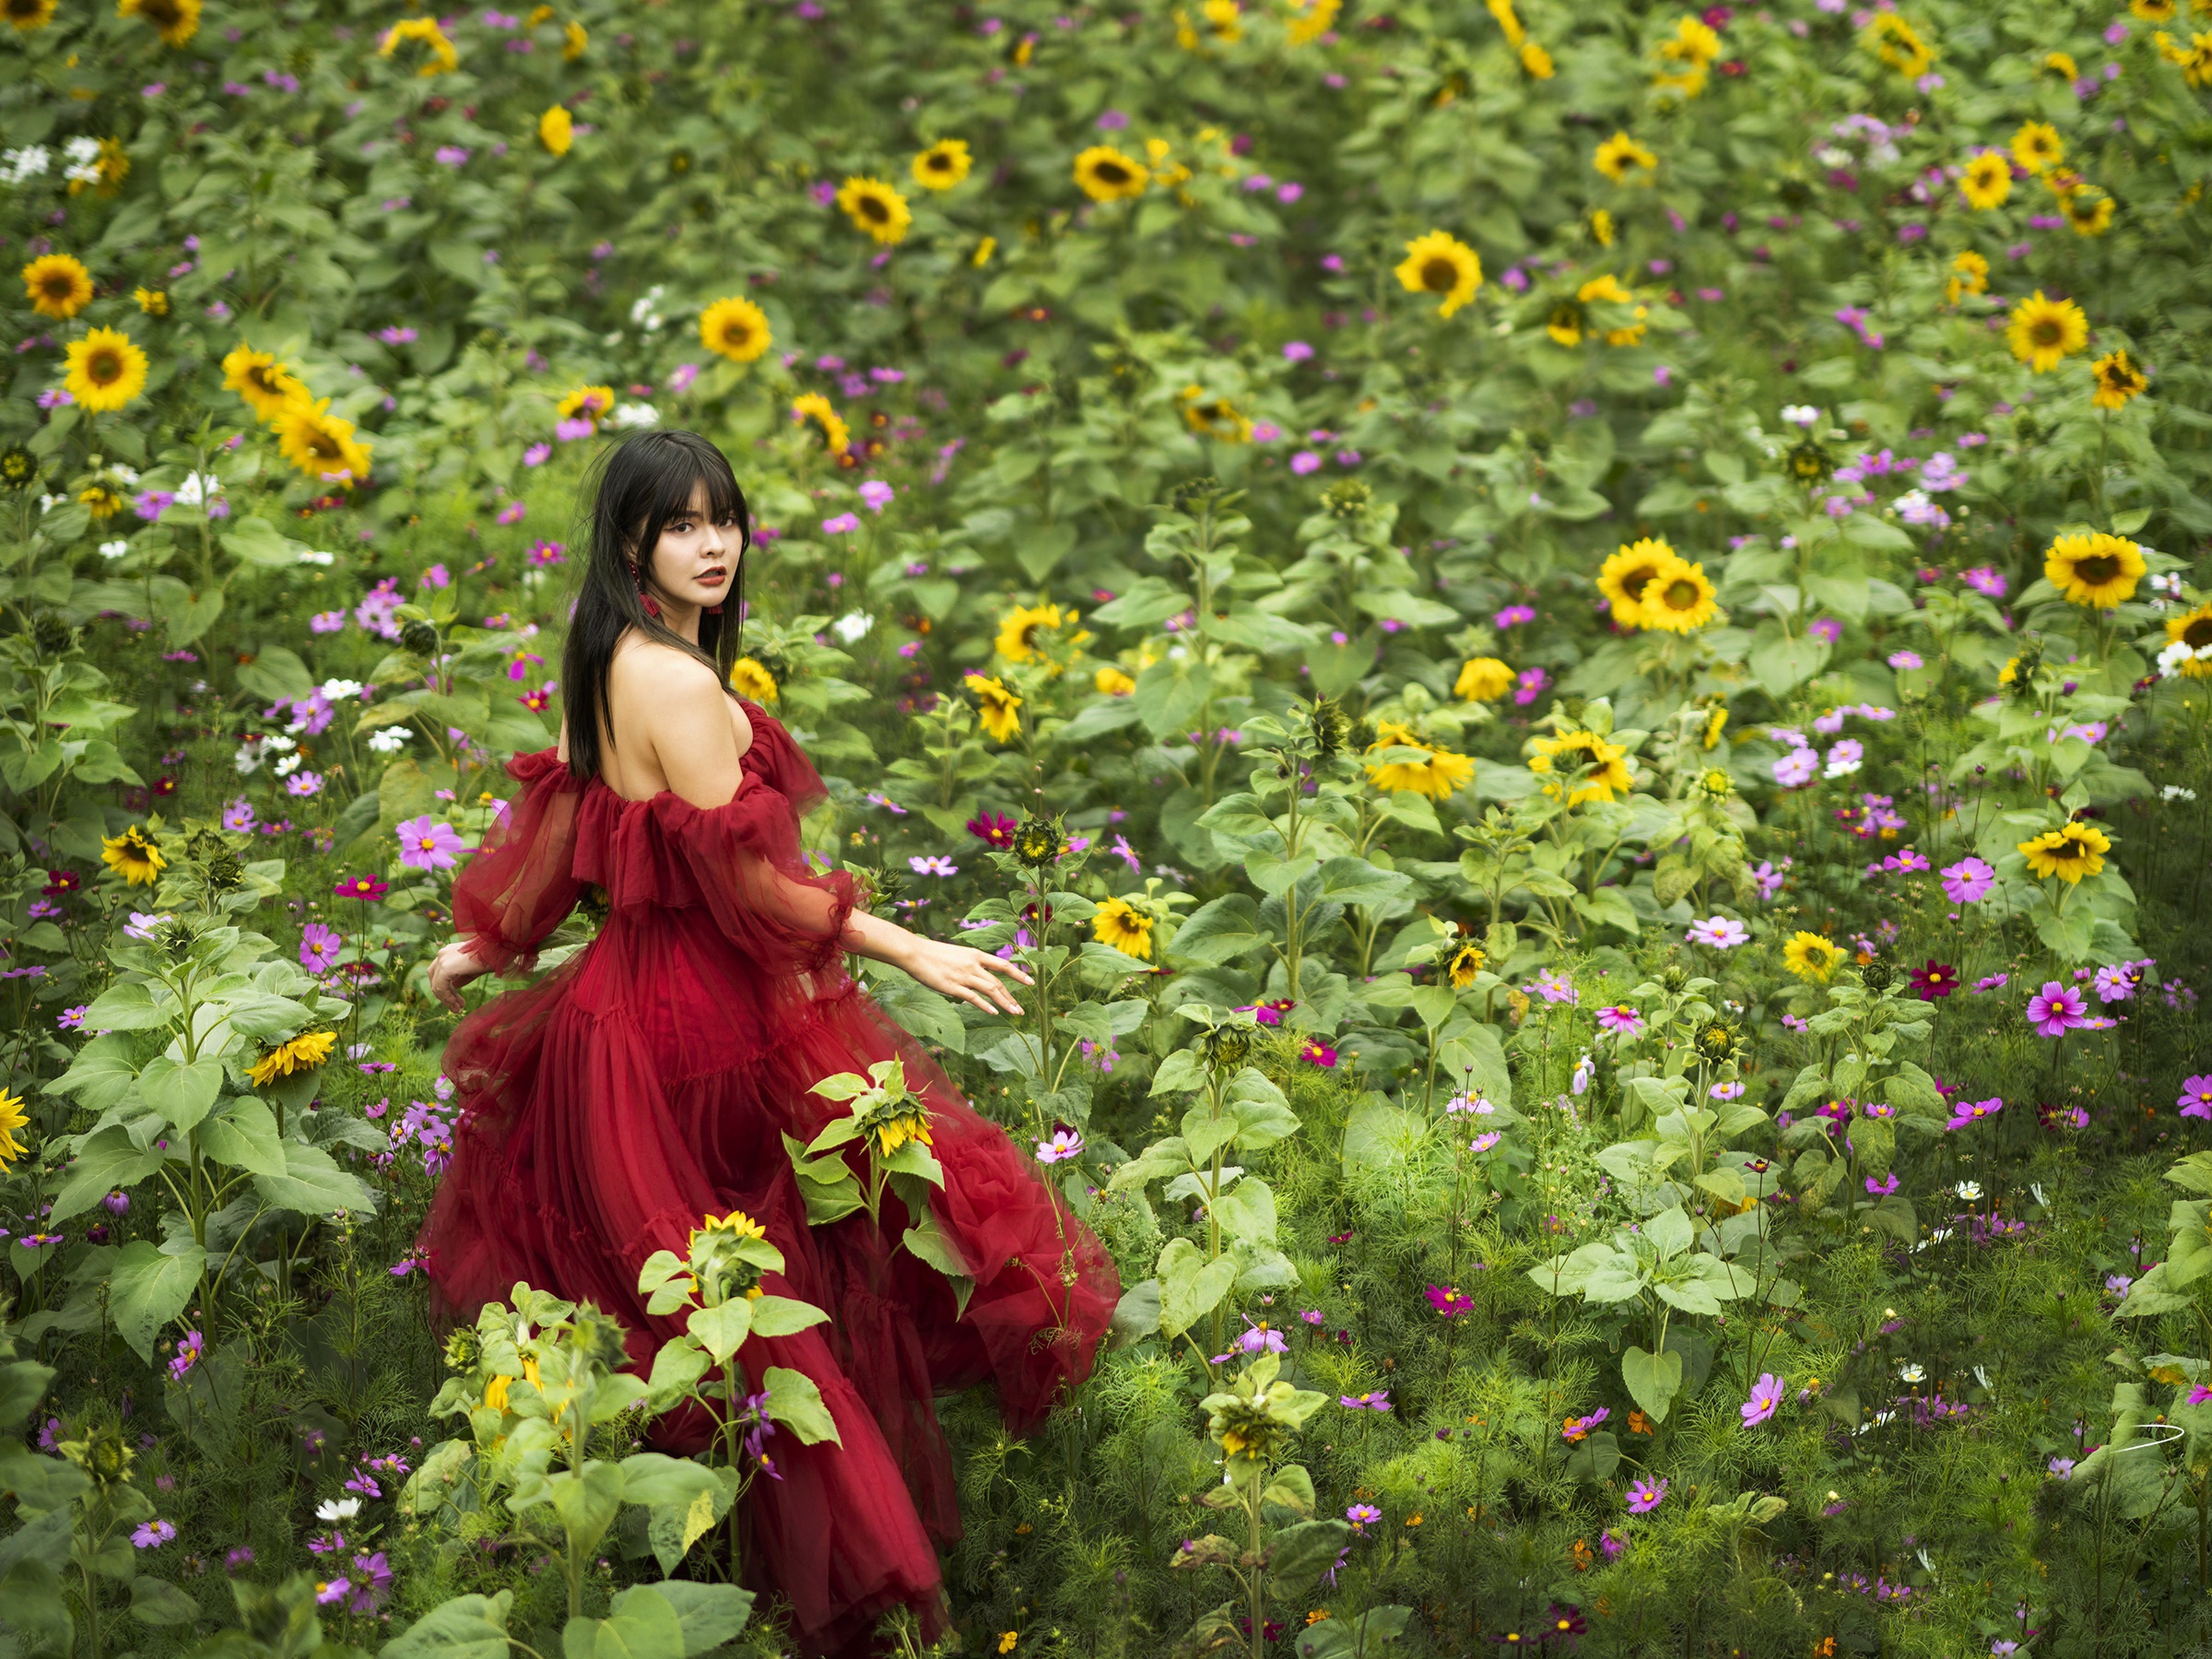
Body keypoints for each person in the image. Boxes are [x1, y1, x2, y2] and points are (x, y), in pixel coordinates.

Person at [418, 429, 1120, 1657]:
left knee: (726, 1307)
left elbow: (593, 819)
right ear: (632, 540)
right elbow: (751, 887)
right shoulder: (681, 685)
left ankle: (714, 1572)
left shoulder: (609, 650)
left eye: (724, 520)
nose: (714, 545)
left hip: (620, 1028)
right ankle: (866, 1604)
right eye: (683, 525)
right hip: (692, 1039)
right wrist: (911, 949)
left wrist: (501, 940)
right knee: (777, 1307)